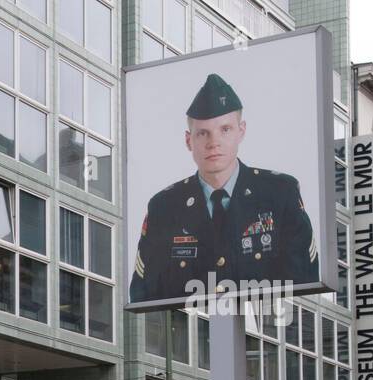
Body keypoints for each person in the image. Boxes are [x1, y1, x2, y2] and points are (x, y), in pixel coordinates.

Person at [129, 74, 319, 306]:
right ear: (189, 140)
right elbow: (144, 297)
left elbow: (304, 288)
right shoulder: (164, 207)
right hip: (190, 338)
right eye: (203, 133)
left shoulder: (280, 194)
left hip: (262, 337)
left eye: (225, 129)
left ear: (242, 131)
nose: (213, 142)